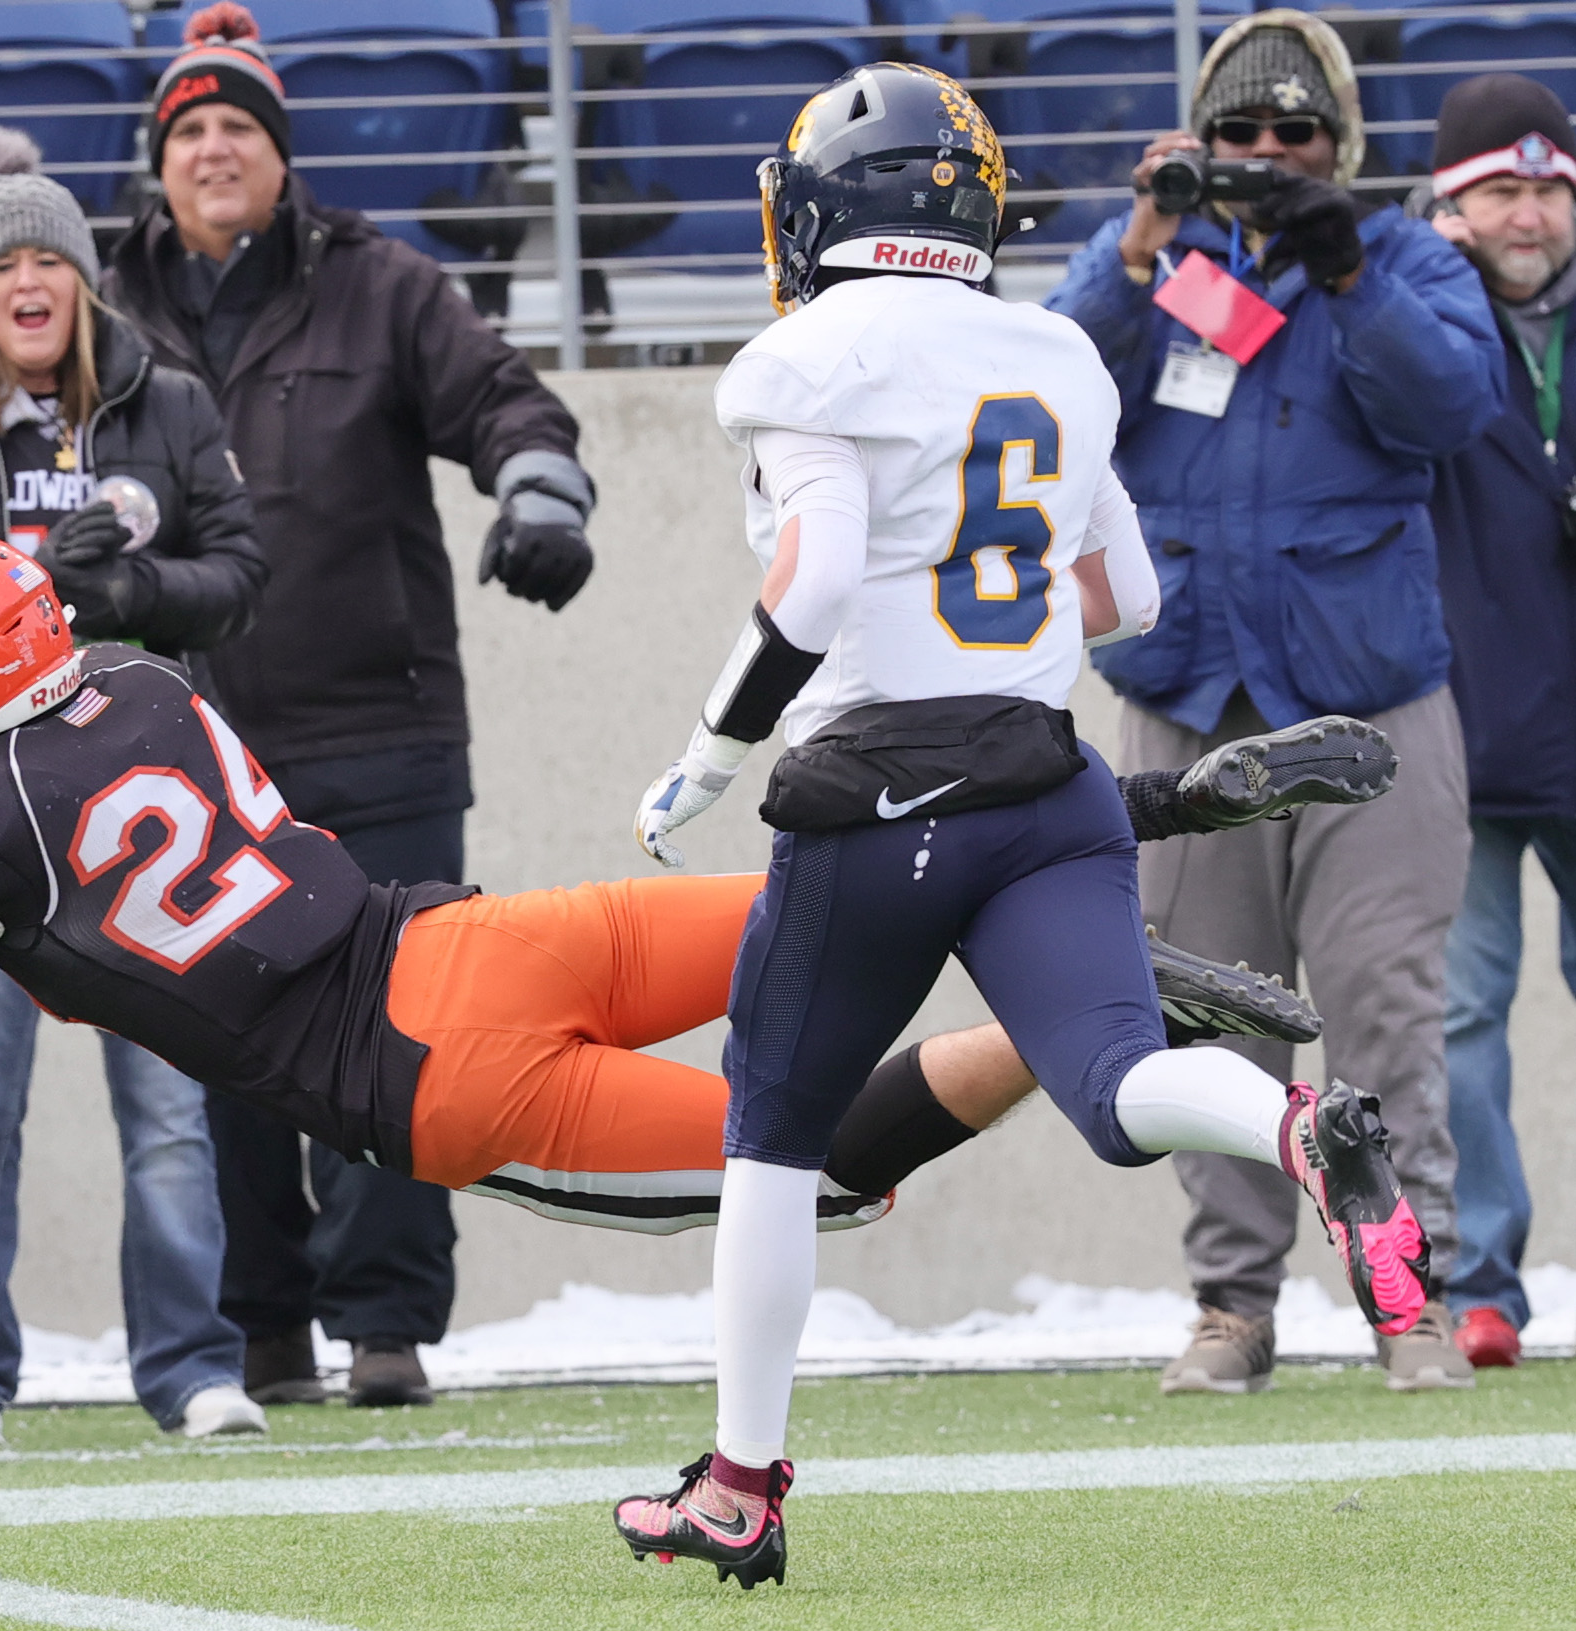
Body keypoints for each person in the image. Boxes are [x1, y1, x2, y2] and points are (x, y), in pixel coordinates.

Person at [0, 533, 1403, 1400]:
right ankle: (1139, 831)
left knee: (819, 1171)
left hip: (433, 1083)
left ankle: (1098, 1008)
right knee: (852, 884)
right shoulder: (128, 682)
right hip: (480, 939)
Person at [612, 65, 1431, 1589]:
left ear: (821, 207)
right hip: (1042, 783)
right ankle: (1300, 1128)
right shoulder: (1053, 348)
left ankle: (737, 1484)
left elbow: (809, 583)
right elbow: (1128, 600)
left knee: (772, 1142)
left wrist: (707, 754)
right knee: (1117, 1089)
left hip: (874, 788)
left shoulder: (800, 359)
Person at [101, 3, 599, 1408]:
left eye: (237, 129)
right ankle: (261, 1327)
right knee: (226, 1042)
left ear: (278, 157)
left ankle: (386, 1325)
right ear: (160, 157)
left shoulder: (383, 286)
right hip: (184, 746)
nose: (212, 151)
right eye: (188, 129)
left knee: (403, 1026)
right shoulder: (105, 303)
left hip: (379, 730)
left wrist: (542, 499)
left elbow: (510, 406)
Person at [1043, 8, 1505, 1394]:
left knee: (1383, 1009)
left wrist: (1344, 263)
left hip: (1368, 708)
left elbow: (1447, 408)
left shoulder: (1406, 256)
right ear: (1195, 139)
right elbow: (1047, 389)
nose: (1261, 152)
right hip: (1193, 705)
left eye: (1291, 131)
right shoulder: (1159, 262)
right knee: (1211, 1023)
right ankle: (1230, 1308)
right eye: (1234, 131)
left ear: (1338, 142)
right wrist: (1136, 246)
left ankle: (1404, 1300)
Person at [0, 128, 268, 1447]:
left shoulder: (169, 401)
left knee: (167, 1108)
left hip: (144, 802)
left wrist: (129, 591)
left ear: (83, 281)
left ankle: (195, 1368)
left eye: (49, 259)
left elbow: (243, 580)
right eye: (1, 264)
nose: (26, 281)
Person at [1420, 74, 1576, 1372]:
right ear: (1446, 203)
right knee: (1461, 1020)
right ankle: (1478, 1284)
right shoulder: (1411, 317)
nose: (1526, 214)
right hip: (1461, 729)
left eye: (1546, 186)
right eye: (1498, 190)